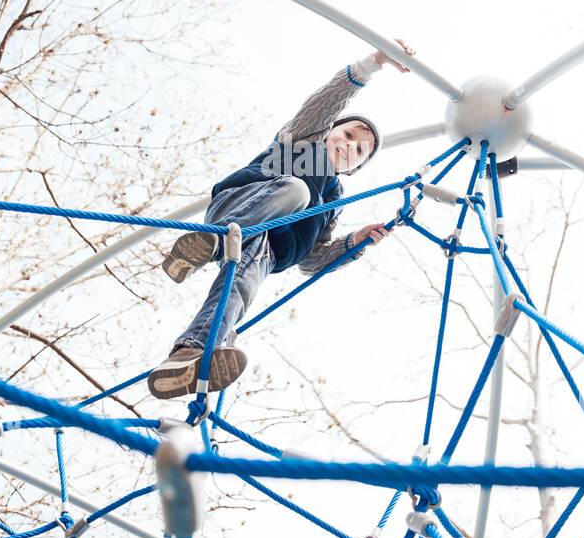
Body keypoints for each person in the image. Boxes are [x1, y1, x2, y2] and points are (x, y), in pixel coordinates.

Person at [148, 39, 415, 398]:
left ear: (354, 168)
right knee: (297, 192)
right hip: (236, 210)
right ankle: (207, 243)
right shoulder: (301, 141)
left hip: (262, 248)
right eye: (348, 133)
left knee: (242, 288)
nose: (350, 144)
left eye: (359, 150)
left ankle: (191, 354)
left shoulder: (333, 203)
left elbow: (312, 261)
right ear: (330, 130)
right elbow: (327, 102)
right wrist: (373, 63)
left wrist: (354, 242)